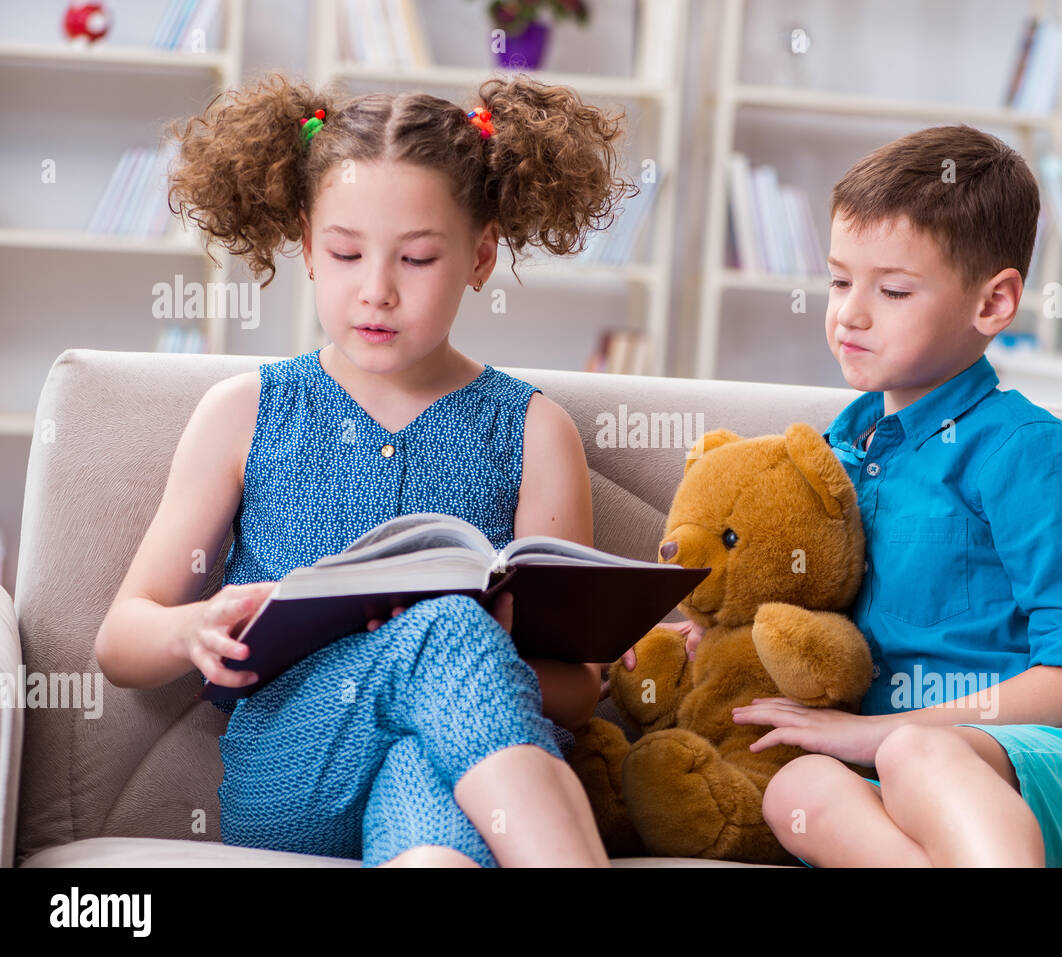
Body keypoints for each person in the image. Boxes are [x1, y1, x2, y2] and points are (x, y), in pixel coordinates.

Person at [94, 70, 650, 868]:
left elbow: (576, 690)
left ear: (481, 256)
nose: (377, 291)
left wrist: (498, 651)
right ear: (308, 245)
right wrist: (192, 627)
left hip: (453, 764)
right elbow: (120, 641)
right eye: (346, 253)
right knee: (448, 629)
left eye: (418, 259)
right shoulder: (244, 411)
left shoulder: (533, 431)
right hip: (293, 768)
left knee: (437, 845)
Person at [730, 124, 1062, 867]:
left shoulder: (1028, 451)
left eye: (893, 289)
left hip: (1047, 772)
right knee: (794, 789)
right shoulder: (840, 448)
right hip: (895, 781)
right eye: (839, 281)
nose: (850, 314)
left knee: (917, 756)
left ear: (993, 303)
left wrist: (886, 734)